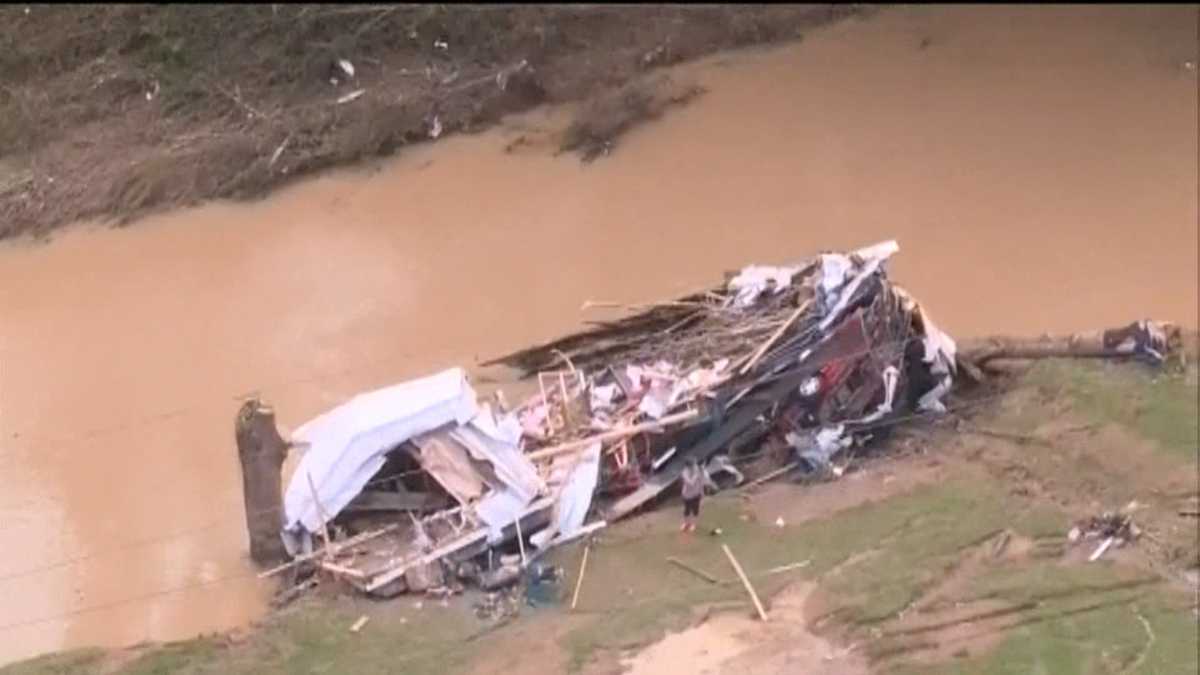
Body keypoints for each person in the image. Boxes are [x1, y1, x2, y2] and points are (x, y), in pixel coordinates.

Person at [680, 457, 718, 533]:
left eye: (695, 464)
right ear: (688, 466)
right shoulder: (684, 473)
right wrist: (696, 476)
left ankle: (693, 524)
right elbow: (690, 483)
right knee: (687, 510)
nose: (695, 466)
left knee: (695, 510)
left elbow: (703, 481)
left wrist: (702, 492)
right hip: (687, 494)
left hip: (696, 493)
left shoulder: (698, 471)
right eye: (693, 464)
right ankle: (686, 523)